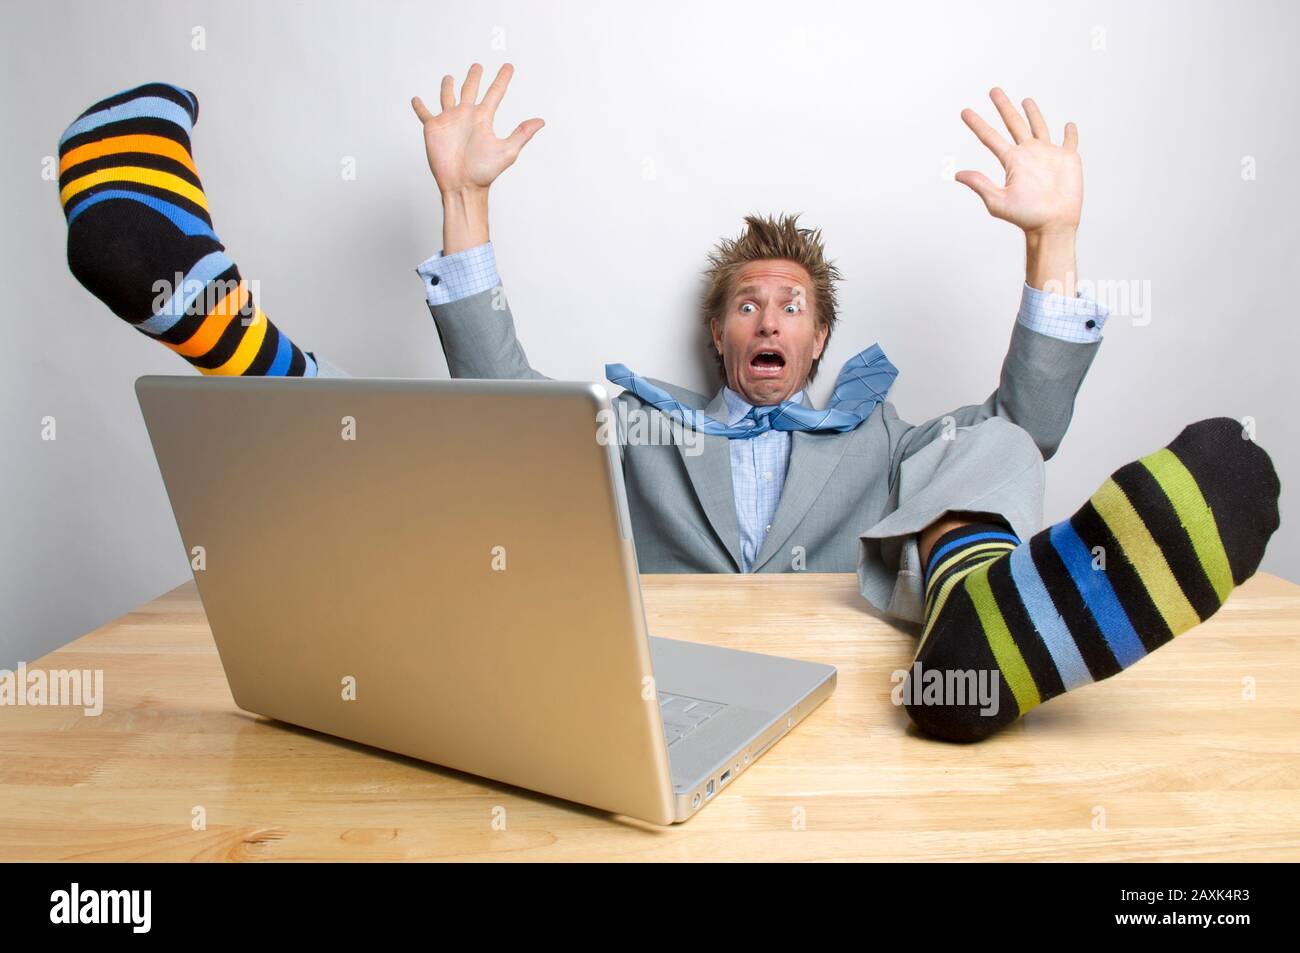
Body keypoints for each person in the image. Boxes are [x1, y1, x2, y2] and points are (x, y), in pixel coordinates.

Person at [55, 68, 1280, 741]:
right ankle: (233, 337)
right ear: (716, 332)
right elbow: (498, 399)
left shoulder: (882, 437)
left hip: (858, 683)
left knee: (1001, 434)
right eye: (746, 302)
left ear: (819, 338)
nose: (766, 317)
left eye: (791, 304)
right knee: (500, 445)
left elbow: (1031, 418)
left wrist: (1054, 238)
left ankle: (982, 625)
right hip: (644, 679)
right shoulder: (650, 427)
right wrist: (466, 205)